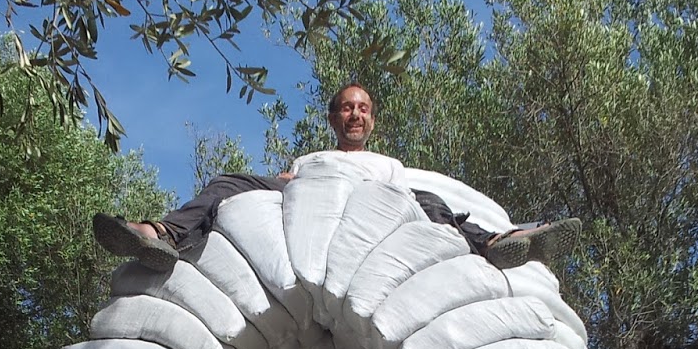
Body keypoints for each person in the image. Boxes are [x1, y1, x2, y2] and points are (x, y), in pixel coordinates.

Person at [92, 83, 580, 274]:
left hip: (374, 200)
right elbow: (282, 186)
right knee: (226, 184)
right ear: (333, 118)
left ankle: (496, 242)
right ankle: (158, 237)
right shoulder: (312, 157)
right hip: (311, 195)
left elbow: (405, 196)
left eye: (363, 109)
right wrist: (277, 180)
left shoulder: (386, 164)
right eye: (347, 107)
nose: (355, 114)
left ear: (372, 121)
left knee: (433, 204)